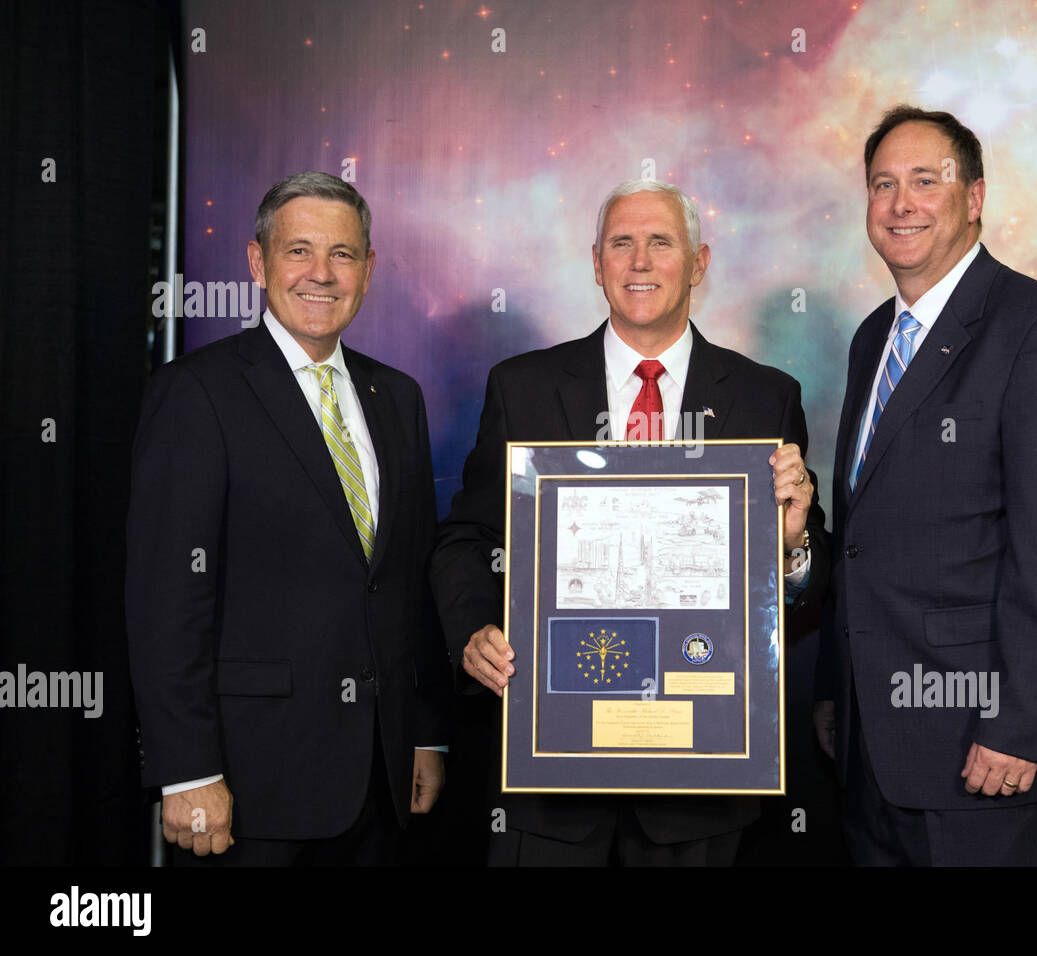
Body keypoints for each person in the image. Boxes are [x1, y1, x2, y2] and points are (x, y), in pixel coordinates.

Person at [434, 179, 828, 865]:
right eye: (622, 243)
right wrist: (473, 631)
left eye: (660, 243)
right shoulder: (521, 389)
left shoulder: (766, 399)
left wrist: (792, 552)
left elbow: (810, 571)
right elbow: (467, 539)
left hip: (702, 787)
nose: (639, 262)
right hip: (550, 781)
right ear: (596, 263)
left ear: (699, 263)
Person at [814, 106, 1037, 865]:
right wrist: (833, 689)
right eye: (883, 184)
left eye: (925, 180)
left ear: (974, 196)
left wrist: (1019, 725)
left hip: (983, 754)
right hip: (868, 750)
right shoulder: (871, 338)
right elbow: (859, 539)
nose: (900, 203)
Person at [126, 171, 451, 865]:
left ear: (368, 270)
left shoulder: (396, 396)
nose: (321, 274)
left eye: (342, 254)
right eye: (299, 250)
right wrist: (187, 771)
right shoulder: (195, 393)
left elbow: (408, 583)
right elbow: (165, 599)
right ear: (258, 262)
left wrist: (424, 732)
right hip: (250, 786)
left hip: (381, 781)